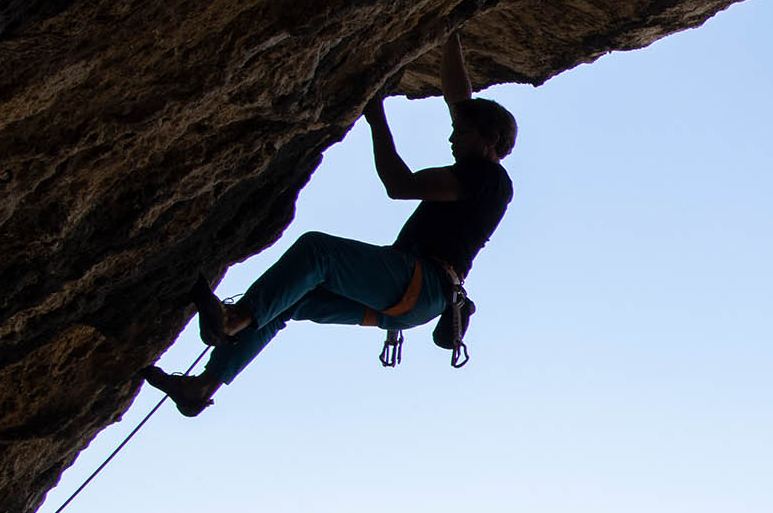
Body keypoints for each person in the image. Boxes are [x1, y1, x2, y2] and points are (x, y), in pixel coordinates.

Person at [143, 30, 514, 415]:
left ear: (490, 139)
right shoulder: (480, 168)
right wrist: (450, 33)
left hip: (424, 285)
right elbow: (460, 102)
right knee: (288, 299)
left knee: (317, 252)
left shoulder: (488, 178)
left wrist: (375, 117)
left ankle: (233, 319)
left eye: (462, 133)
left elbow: (399, 185)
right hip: (411, 300)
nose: (452, 138)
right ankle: (203, 386)